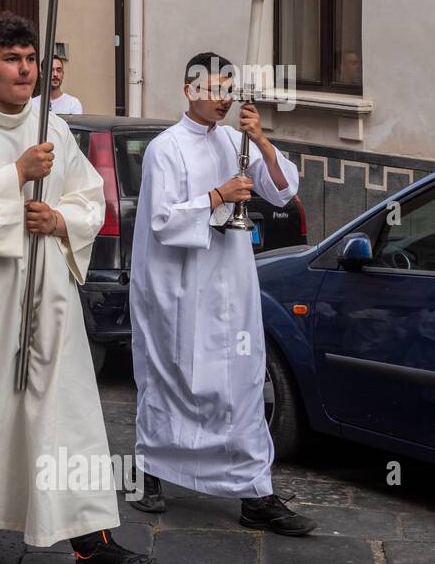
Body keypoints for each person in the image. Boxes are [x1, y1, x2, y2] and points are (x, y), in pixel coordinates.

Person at [0, 12, 155, 564]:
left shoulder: (51, 126)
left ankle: (90, 545)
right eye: (12, 59)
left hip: (47, 300)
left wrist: (58, 218)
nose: (26, 70)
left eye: (31, 59)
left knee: (65, 418)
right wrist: (16, 175)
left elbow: (89, 197)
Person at [128, 52, 315, 536]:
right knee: (174, 380)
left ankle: (256, 494)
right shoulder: (164, 149)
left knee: (244, 383)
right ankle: (152, 470)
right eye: (212, 89)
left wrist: (261, 140)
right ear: (188, 90)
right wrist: (217, 196)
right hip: (180, 286)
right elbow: (163, 221)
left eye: (228, 90)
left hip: (231, 283)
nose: (222, 99)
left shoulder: (237, 142)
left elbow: (281, 190)